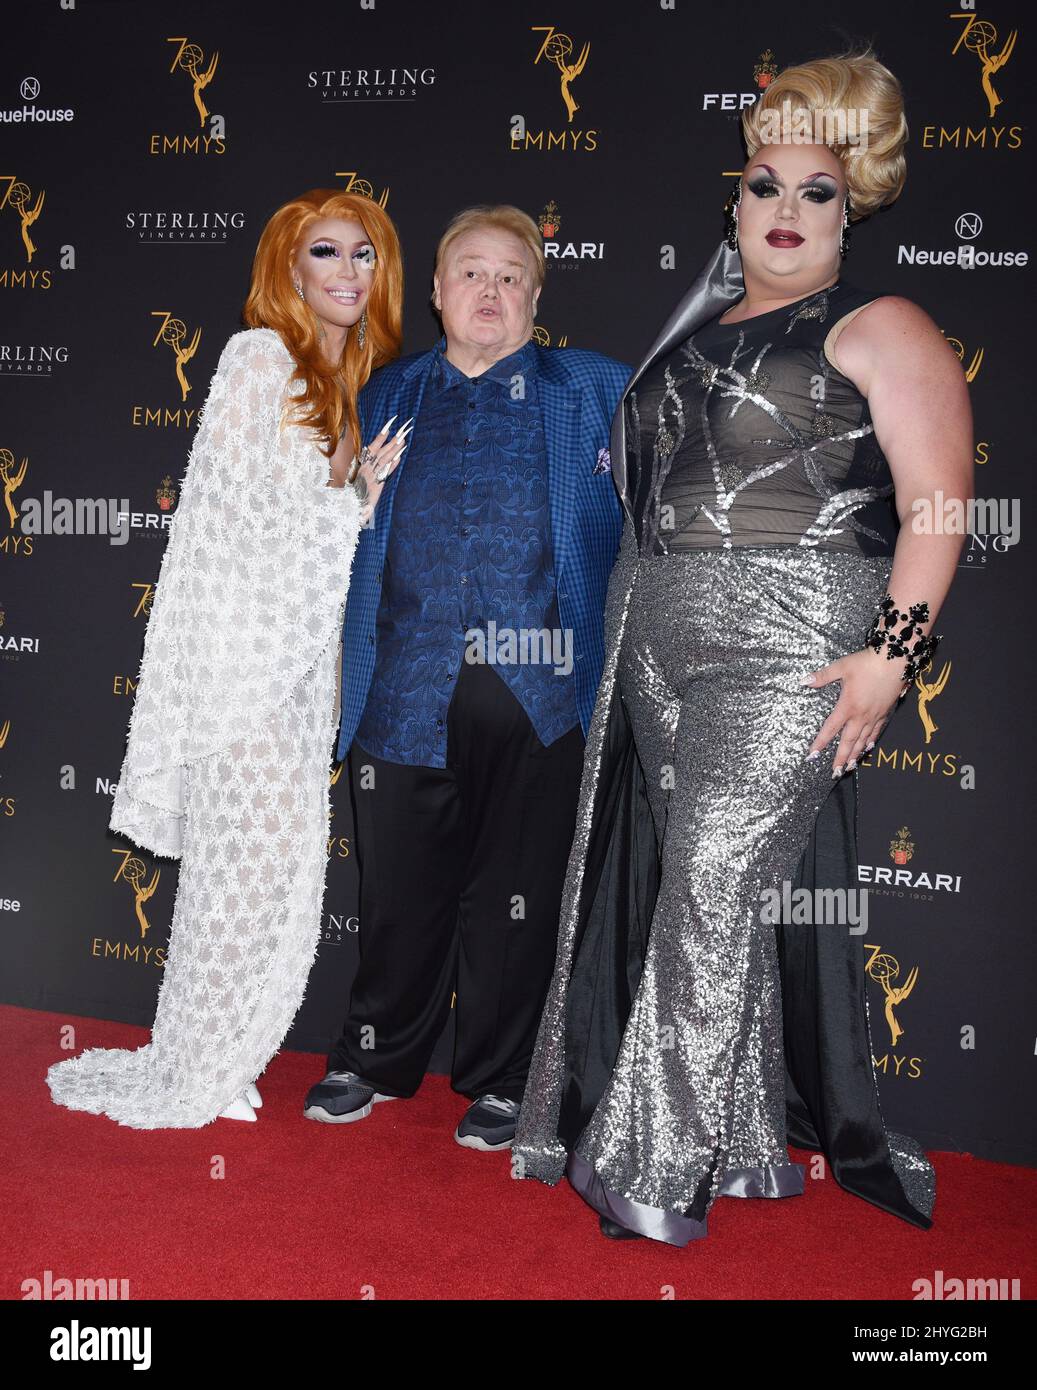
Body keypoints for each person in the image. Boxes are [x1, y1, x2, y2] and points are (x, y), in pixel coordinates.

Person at [512, 51, 973, 1242]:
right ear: (734, 202)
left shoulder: (881, 322)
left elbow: (935, 505)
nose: (784, 210)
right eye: (763, 186)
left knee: (711, 888)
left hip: (793, 637)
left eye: (813, 192)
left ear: (849, 204)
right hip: (656, 632)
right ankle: (742, 1144)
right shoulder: (698, 324)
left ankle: (654, 1172)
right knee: (704, 894)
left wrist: (891, 654)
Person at [46, 189, 406, 1128]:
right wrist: (353, 500)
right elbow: (245, 520)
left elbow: (320, 534)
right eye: (326, 254)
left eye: (364, 255)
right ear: (289, 269)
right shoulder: (258, 359)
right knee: (235, 874)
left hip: (299, 672)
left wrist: (356, 494)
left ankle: (221, 1052)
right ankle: (198, 1066)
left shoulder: (349, 377)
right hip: (240, 669)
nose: (347, 274)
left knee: (279, 875)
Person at [303, 206, 631, 1152]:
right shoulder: (382, 390)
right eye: (469, 274)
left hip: (541, 698)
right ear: (438, 290)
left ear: (536, 294)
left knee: (515, 899)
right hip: (400, 692)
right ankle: (372, 1058)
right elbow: (323, 535)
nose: (488, 292)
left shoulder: (597, 392)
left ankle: (501, 1080)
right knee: (396, 891)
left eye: (510, 277)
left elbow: (656, 527)